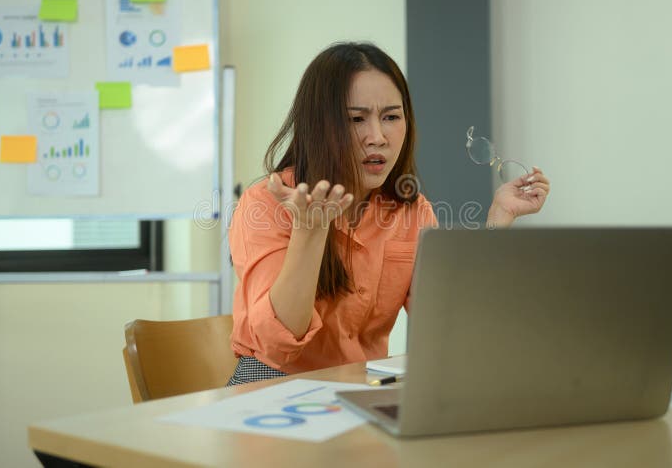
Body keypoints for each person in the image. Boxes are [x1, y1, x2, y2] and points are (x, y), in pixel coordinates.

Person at [226, 42, 550, 385]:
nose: (377, 137)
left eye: (391, 117)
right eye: (356, 119)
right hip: (272, 387)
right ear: (319, 126)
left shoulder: (412, 210)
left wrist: (499, 218)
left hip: (361, 387)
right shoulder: (266, 203)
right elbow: (276, 347)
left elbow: (452, 321)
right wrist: (310, 231)